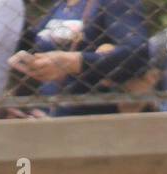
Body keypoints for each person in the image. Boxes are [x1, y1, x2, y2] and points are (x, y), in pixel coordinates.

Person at [9, 0, 149, 116]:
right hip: (45, 114)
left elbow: (137, 52)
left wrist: (74, 62)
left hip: (89, 117)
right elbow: (35, 44)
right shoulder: (62, 5)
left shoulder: (114, 2)